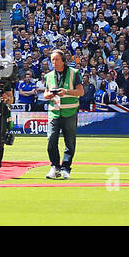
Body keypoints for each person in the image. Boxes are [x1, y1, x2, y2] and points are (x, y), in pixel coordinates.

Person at [43, 49, 82, 180]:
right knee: (51, 140)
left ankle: (66, 168)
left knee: (69, 142)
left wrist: (66, 91)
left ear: (63, 60)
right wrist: (49, 95)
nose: (54, 62)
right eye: (52, 60)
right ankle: (55, 166)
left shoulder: (74, 73)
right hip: (54, 112)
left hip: (70, 112)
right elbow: (45, 93)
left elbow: (80, 92)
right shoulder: (48, 76)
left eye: (57, 59)